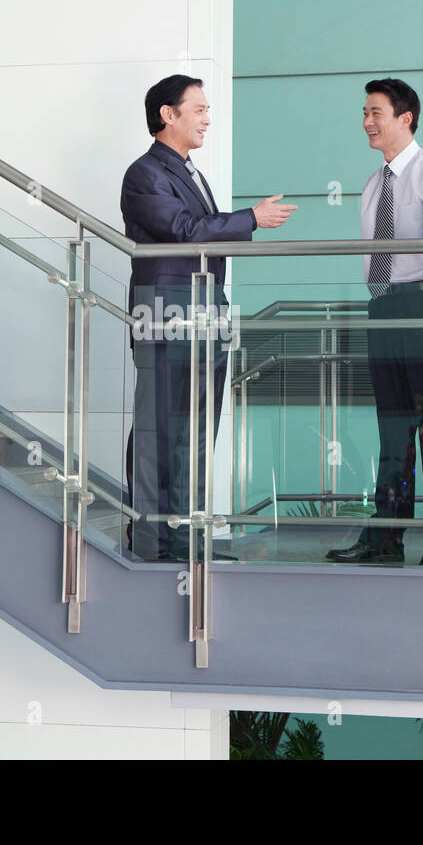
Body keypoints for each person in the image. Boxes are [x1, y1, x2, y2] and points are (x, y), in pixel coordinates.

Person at [121, 75, 295, 559]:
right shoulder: (146, 173)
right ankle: (155, 539)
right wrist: (251, 219)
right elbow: (184, 230)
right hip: (166, 316)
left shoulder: (189, 172)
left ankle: (188, 536)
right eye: (197, 109)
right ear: (167, 114)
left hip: (202, 315)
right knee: (163, 430)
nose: (207, 119)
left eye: (207, 109)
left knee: (196, 431)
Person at [326, 79, 423, 565]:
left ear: (406, 118)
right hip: (383, 307)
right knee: (393, 428)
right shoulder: (372, 185)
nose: (367, 122)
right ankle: (386, 536)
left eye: (376, 113)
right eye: (364, 113)